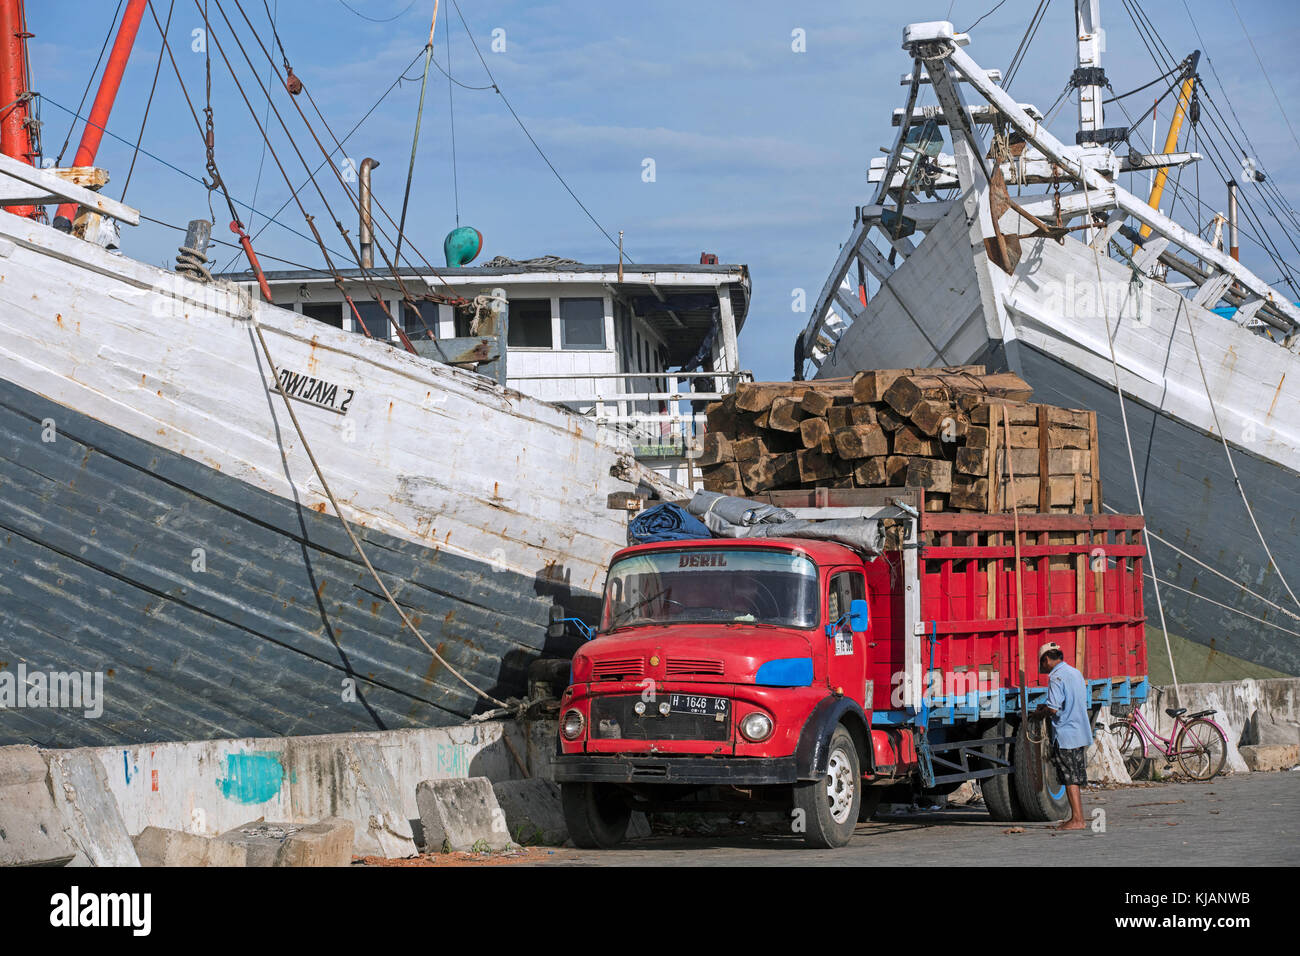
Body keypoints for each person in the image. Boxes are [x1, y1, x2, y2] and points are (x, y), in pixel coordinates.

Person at [1032, 641, 1091, 830]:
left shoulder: (1056, 678)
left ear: (1047, 659)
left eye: (1041, 663)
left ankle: (1077, 819)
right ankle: (1078, 817)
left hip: (1066, 734)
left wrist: (1039, 713)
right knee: (1074, 776)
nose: (1041, 667)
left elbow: (1053, 709)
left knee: (1069, 778)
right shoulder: (1075, 673)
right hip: (1080, 731)